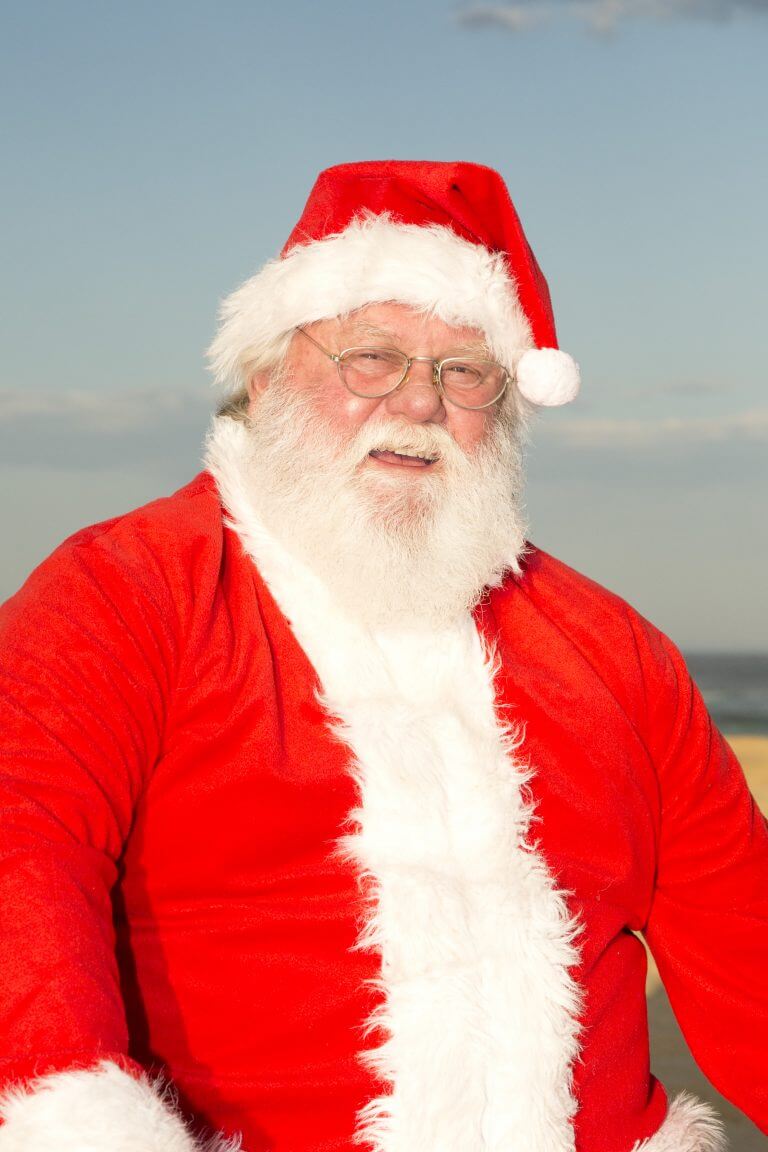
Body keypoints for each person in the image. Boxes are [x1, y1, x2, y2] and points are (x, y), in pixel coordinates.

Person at [0, 160, 765, 1152]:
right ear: (270, 374)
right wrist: (76, 1118)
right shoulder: (124, 591)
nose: (418, 404)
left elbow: (748, 943)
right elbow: (20, 850)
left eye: (465, 371)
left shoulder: (613, 651)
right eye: (372, 357)